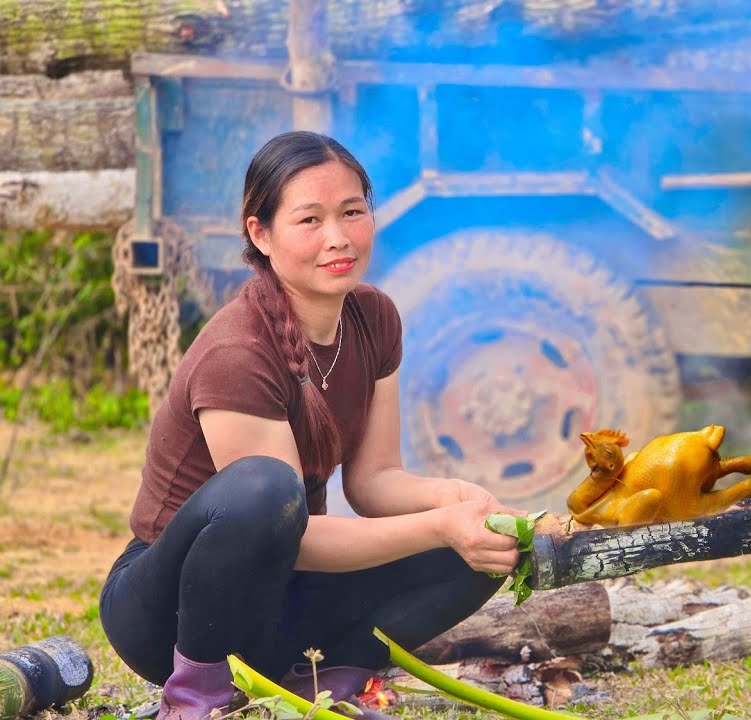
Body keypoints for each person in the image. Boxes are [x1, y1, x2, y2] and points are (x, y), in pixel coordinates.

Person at [99, 131, 522, 720]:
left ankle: (326, 681)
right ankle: (198, 696)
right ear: (260, 234)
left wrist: (454, 501)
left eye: (353, 212)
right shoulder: (237, 354)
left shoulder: (373, 317)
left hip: (280, 601)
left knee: (480, 554)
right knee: (266, 487)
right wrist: (439, 525)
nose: (338, 238)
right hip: (170, 613)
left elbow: (373, 481)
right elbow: (282, 527)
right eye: (310, 220)